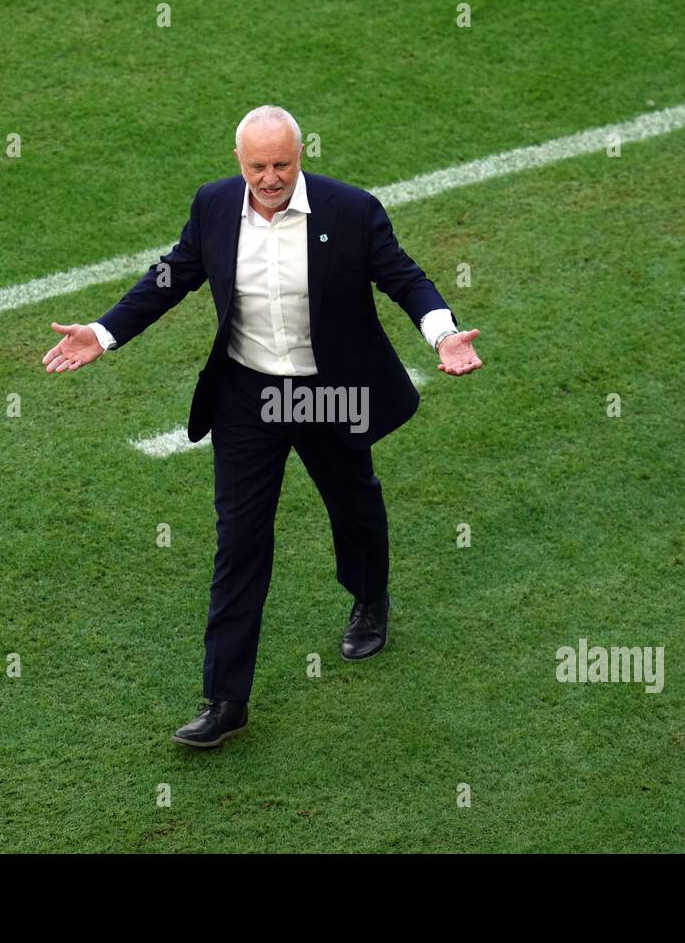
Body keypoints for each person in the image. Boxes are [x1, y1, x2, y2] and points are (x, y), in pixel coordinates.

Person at [43, 105, 482, 747]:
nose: (270, 178)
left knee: (353, 506)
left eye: (282, 164)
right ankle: (225, 699)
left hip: (327, 393)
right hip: (248, 397)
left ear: (301, 155)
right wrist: (105, 332)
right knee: (239, 541)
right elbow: (171, 277)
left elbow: (405, 278)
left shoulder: (350, 209)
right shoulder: (214, 207)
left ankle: (369, 595)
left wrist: (442, 333)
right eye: (258, 166)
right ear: (238, 161)